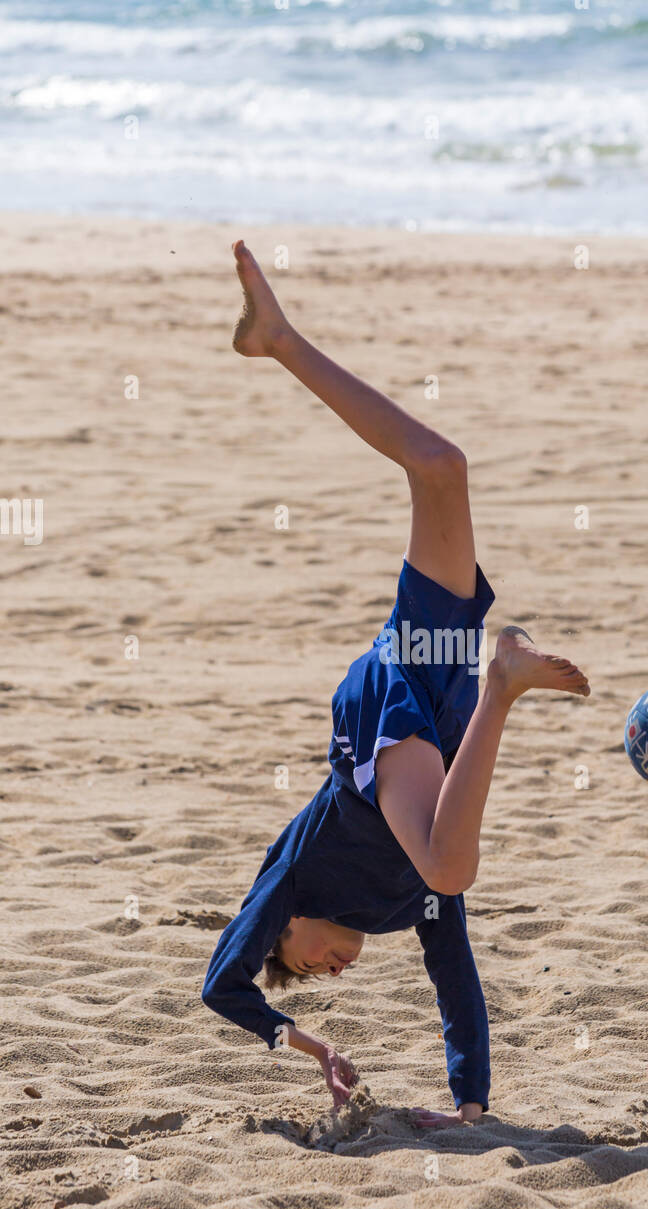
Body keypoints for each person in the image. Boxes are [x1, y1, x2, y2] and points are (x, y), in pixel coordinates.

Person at [201, 241, 590, 1129]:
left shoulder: (295, 876)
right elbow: (457, 982)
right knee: (441, 467)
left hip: (381, 711)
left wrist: (305, 1041)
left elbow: (223, 985)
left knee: (449, 863)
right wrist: (473, 1104)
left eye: (299, 965)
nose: (324, 971)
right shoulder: (405, 906)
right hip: (426, 680)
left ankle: (505, 683)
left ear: (286, 929)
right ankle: (278, 340)